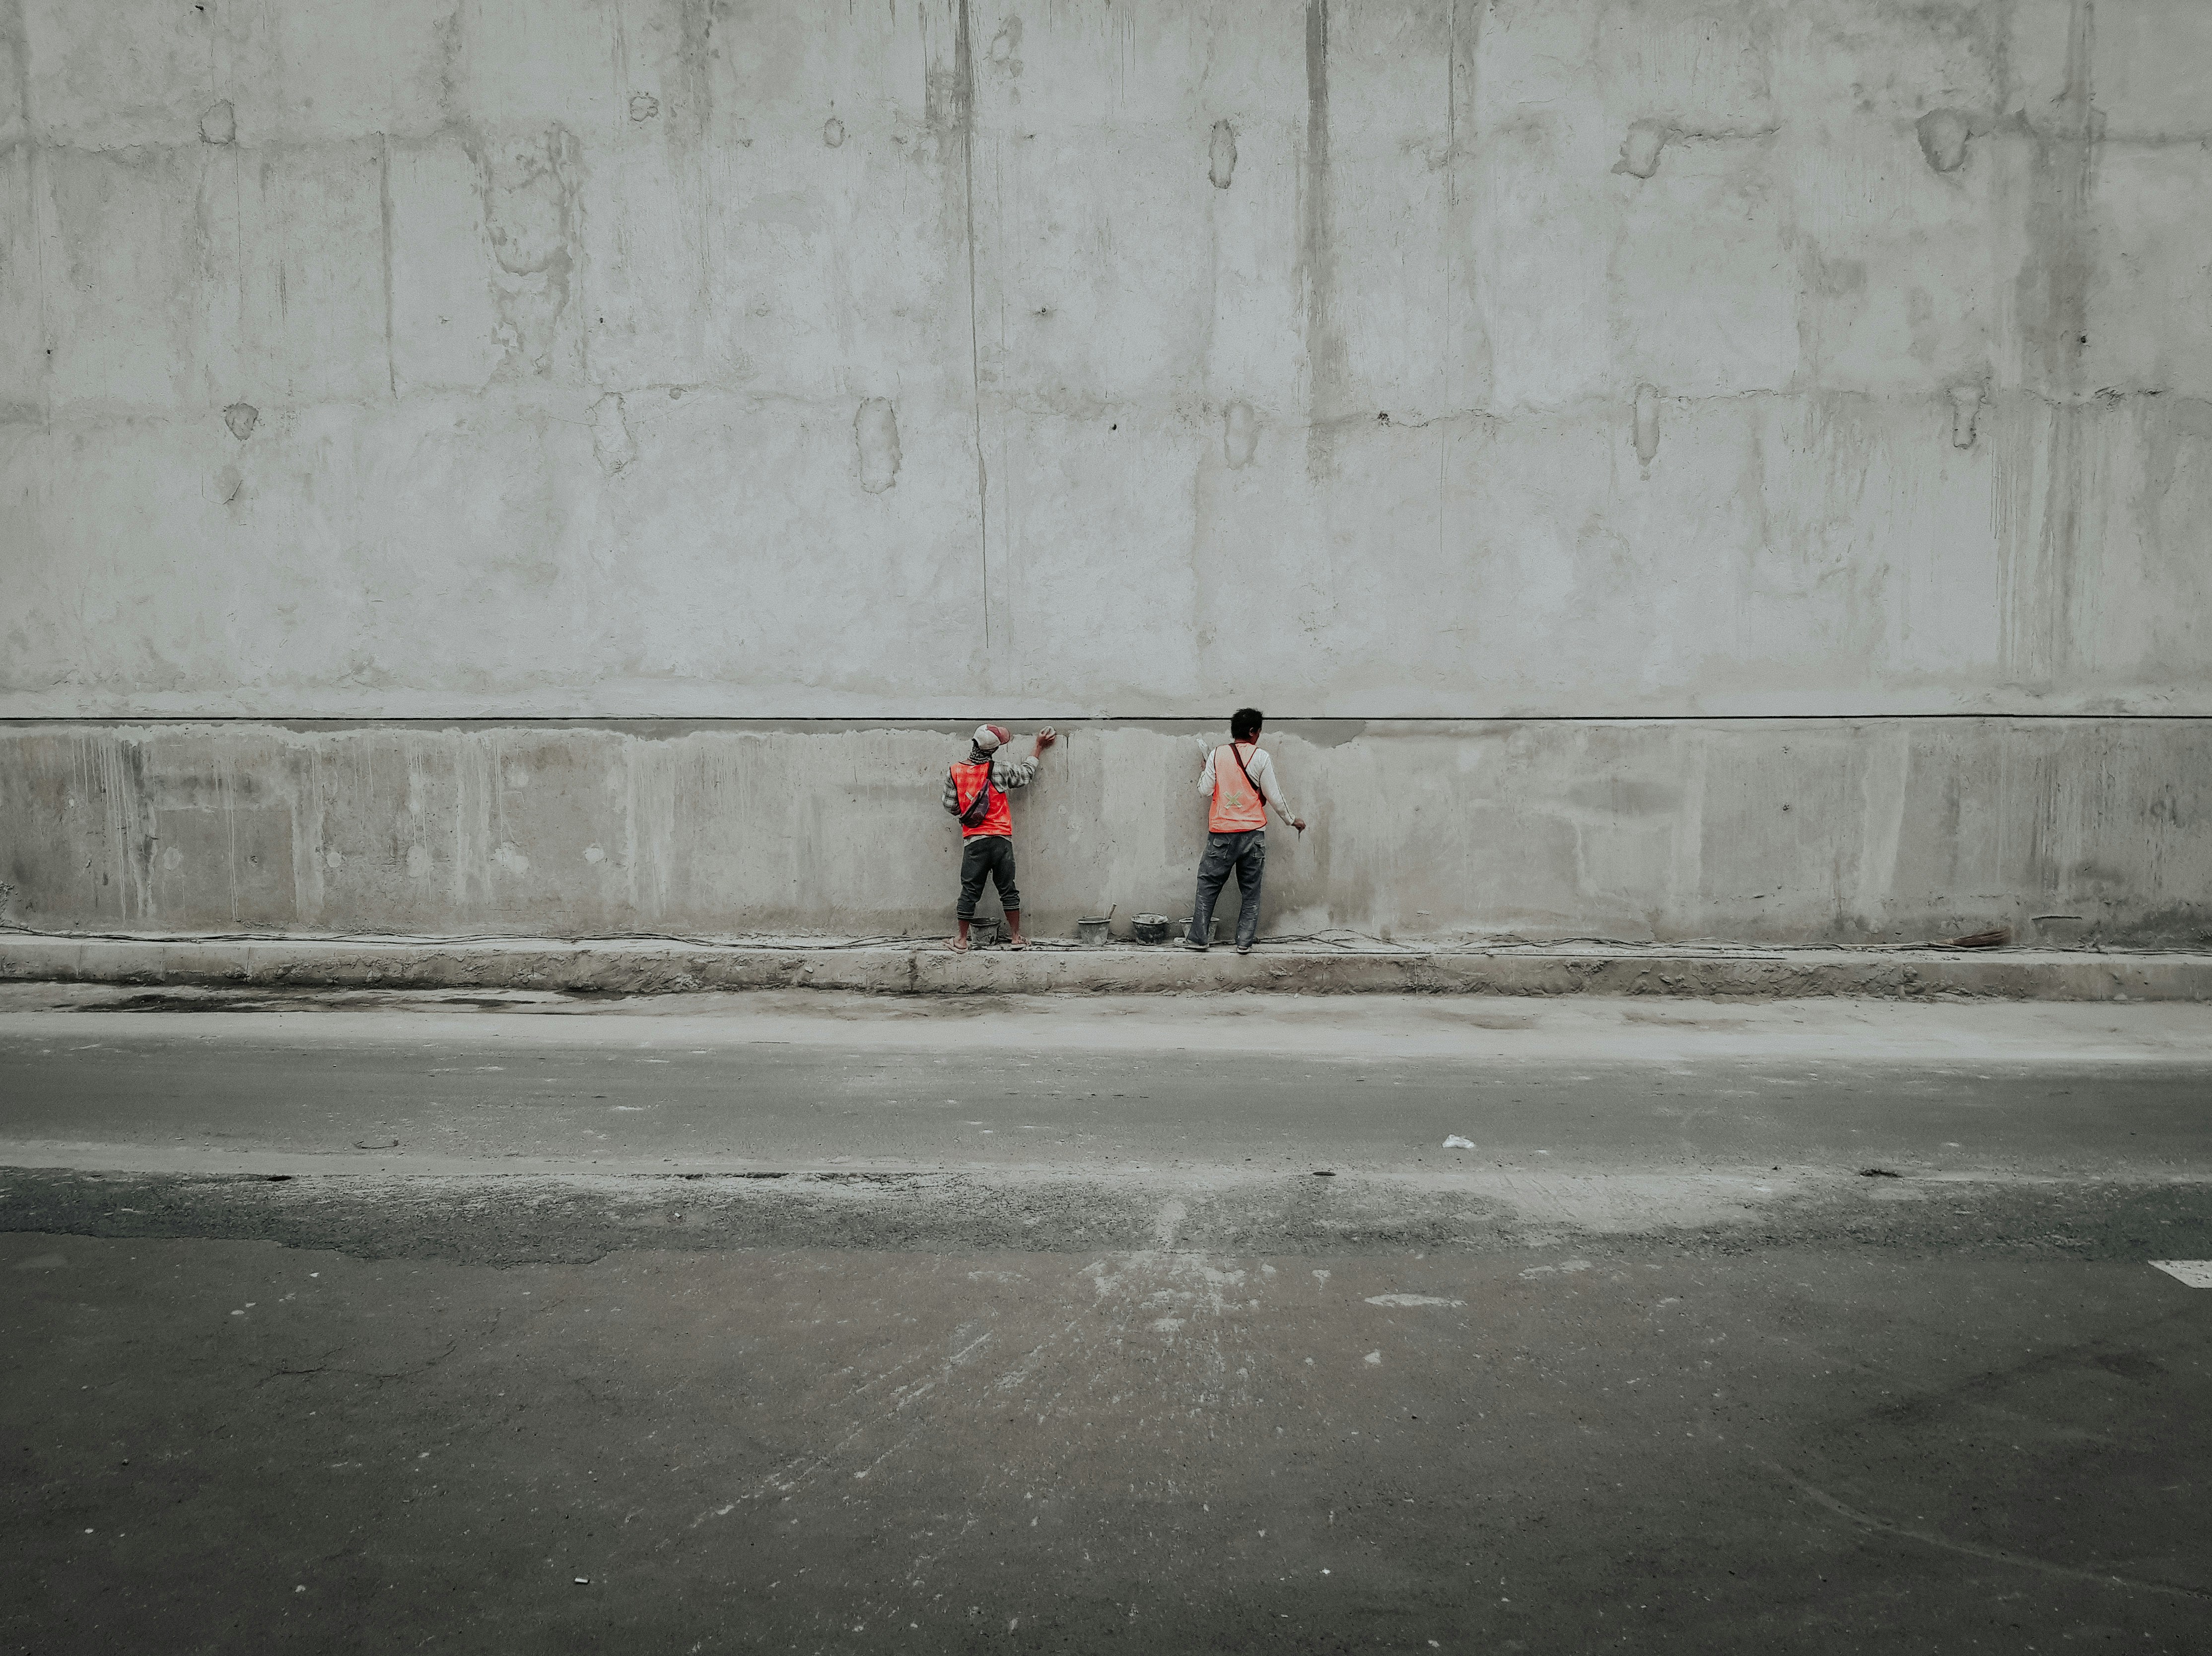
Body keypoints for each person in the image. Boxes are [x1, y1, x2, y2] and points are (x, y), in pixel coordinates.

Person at [1185, 708, 1304, 953]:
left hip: (1222, 834)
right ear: (1252, 732)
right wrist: (1292, 820)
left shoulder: (1217, 754)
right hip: (1253, 835)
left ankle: (1199, 939)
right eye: (1259, 732)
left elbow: (1205, 790)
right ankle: (1244, 942)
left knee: (1208, 885)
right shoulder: (1262, 758)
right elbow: (1275, 797)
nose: (1259, 736)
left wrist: (1205, 769)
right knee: (1251, 891)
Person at [943, 721, 1057, 952]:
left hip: (975, 842)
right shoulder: (1000, 769)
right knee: (1008, 890)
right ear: (994, 750)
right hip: (1001, 840)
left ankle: (962, 940)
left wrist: (970, 808)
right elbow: (1026, 774)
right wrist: (1038, 746)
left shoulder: (955, 771)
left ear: (974, 743)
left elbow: (950, 806)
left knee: (970, 891)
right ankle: (1016, 937)